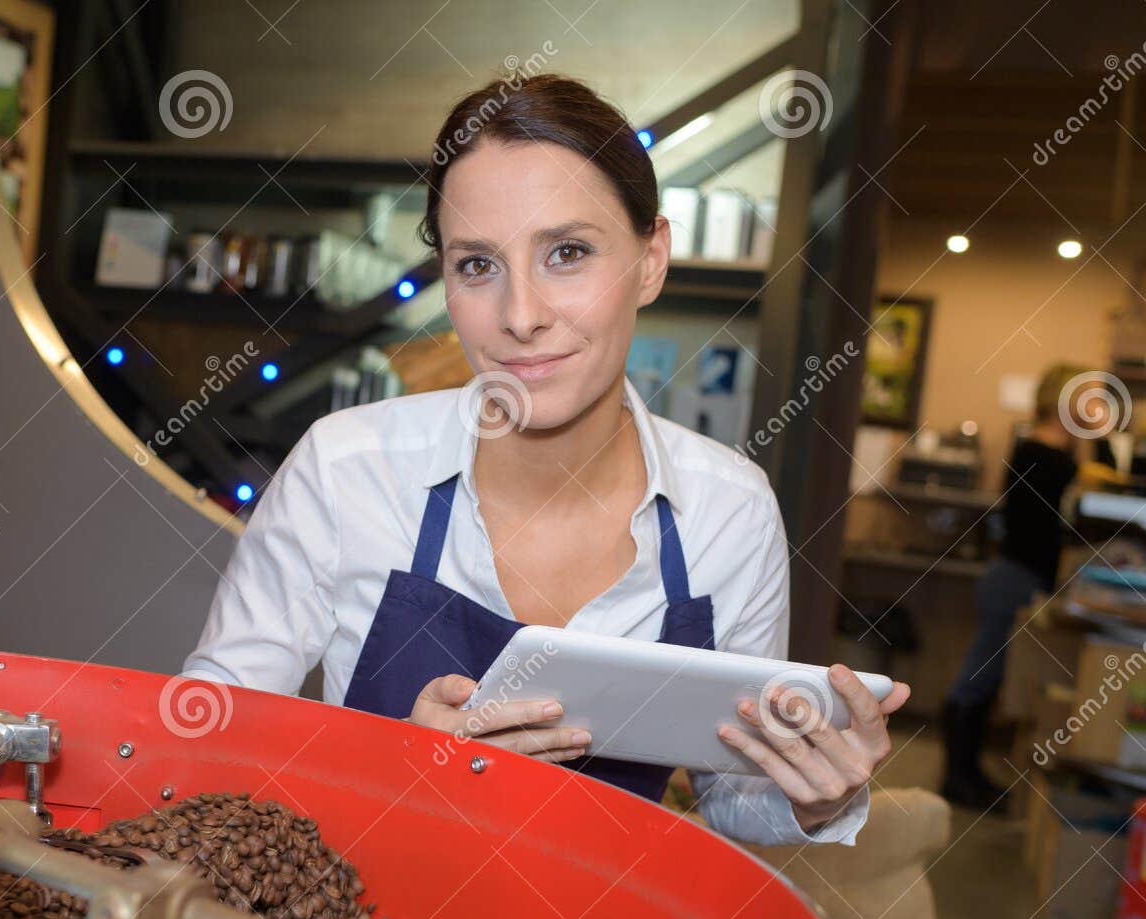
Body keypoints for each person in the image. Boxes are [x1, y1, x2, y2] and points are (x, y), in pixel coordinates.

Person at [183, 74, 910, 846]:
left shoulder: (728, 512)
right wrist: (389, 765)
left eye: (567, 252)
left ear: (651, 259)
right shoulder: (346, 468)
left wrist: (813, 796)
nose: (520, 316)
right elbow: (202, 736)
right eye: (476, 265)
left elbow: (730, 796)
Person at [941, 364, 1102, 808]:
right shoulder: (1039, 454)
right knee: (977, 679)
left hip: (1018, 578)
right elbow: (1043, 531)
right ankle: (958, 779)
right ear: (1062, 400)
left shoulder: (1062, 455)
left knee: (987, 681)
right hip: (1014, 580)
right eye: (1089, 395)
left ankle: (965, 775)